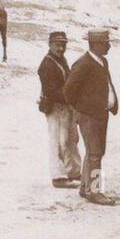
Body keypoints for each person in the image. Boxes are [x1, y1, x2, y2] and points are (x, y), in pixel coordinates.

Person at [63, 28, 120, 206]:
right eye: (106, 43)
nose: (109, 46)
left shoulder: (102, 61)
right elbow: (68, 91)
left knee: (95, 152)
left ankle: (85, 188)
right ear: (95, 44)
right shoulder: (83, 63)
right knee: (95, 153)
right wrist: (83, 111)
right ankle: (95, 191)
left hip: (100, 114)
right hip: (90, 116)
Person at [37, 30, 81, 188]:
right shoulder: (47, 64)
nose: (61, 48)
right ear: (50, 45)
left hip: (65, 106)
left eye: (63, 45)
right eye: (57, 45)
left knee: (70, 140)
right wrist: (72, 96)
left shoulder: (60, 60)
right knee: (58, 141)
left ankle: (74, 172)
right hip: (55, 107)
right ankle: (59, 177)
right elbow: (51, 91)